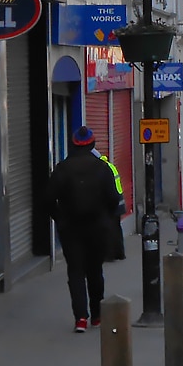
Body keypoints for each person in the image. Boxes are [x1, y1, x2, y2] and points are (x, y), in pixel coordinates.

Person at [47, 126, 124, 332]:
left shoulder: (62, 168)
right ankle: (97, 315)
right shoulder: (102, 168)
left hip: (71, 229)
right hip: (97, 228)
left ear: (73, 144)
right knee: (94, 270)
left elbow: (48, 199)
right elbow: (114, 198)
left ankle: (80, 317)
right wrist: (105, 217)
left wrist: (60, 218)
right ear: (92, 144)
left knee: (75, 271)